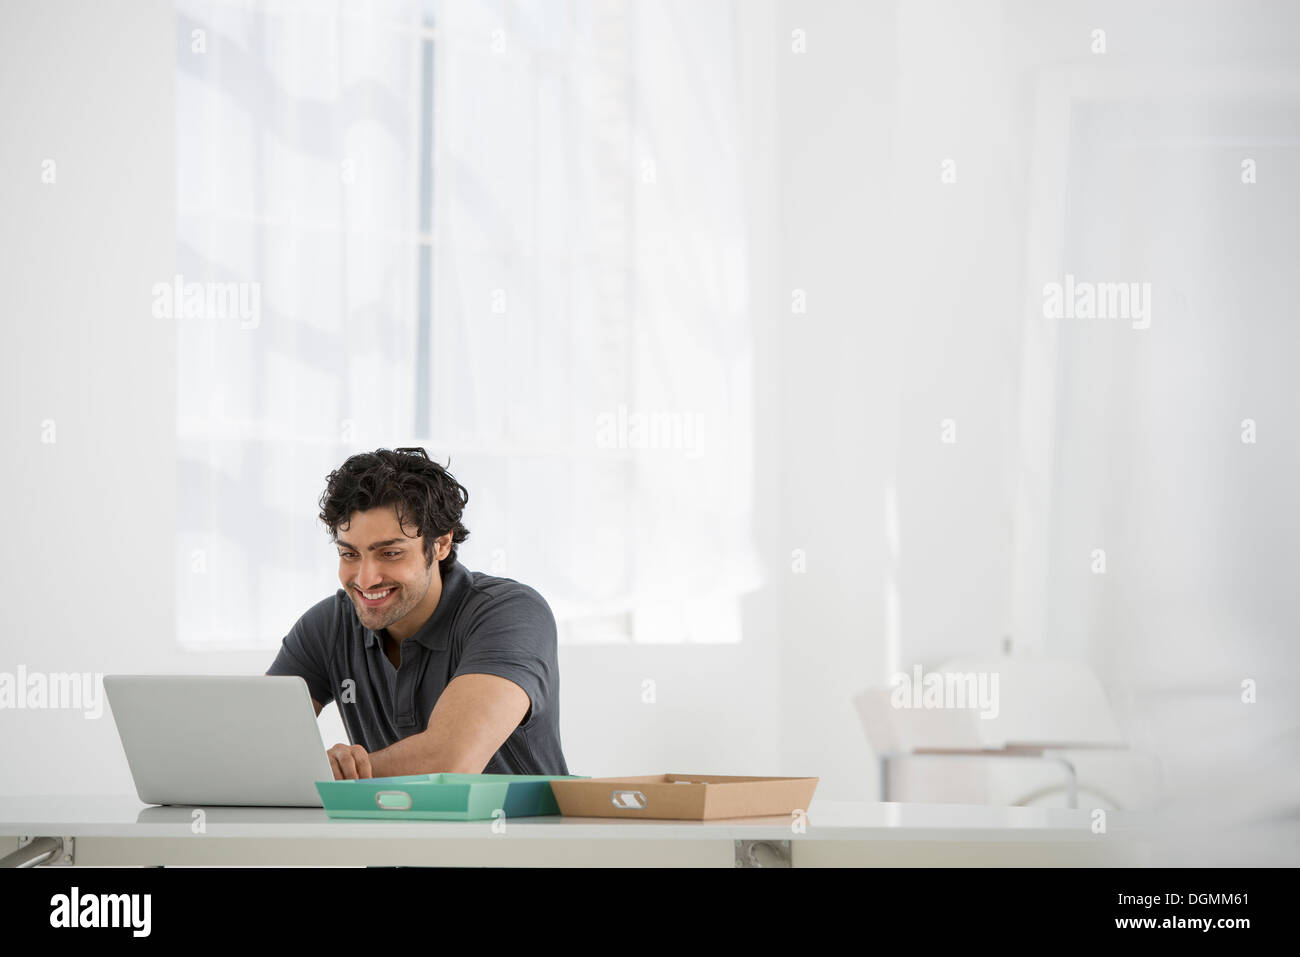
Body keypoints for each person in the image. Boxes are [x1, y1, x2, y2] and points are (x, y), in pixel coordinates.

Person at [266, 447, 568, 779]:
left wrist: (333, 773)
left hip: (518, 829)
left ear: (440, 544)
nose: (366, 579)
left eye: (390, 553)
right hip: (394, 831)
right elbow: (255, 750)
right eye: (349, 553)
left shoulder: (511, 614)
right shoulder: (327, 627)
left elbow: (450, 760)